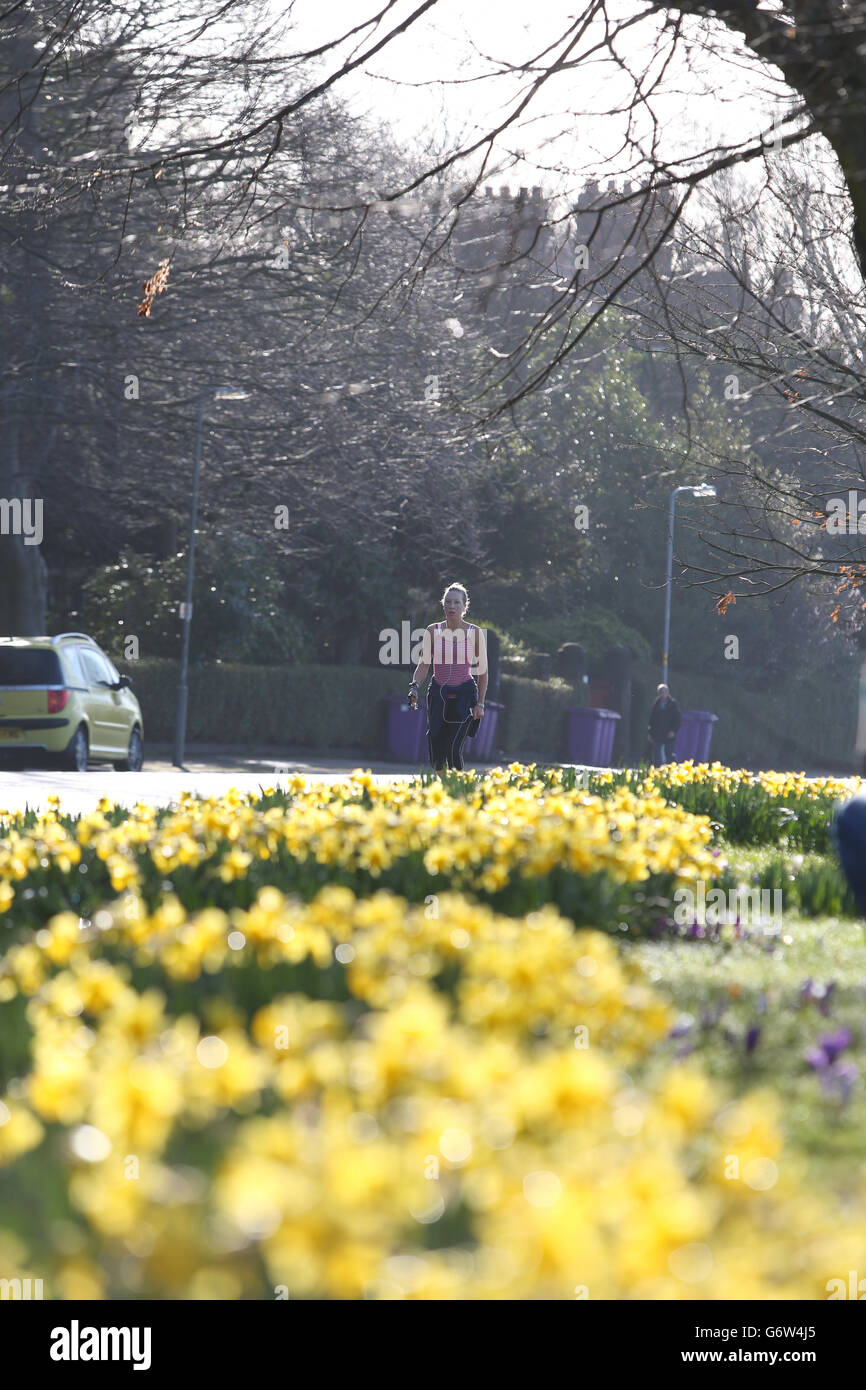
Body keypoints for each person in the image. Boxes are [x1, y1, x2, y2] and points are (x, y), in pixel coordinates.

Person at [407, 582, 487, 774]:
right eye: (448, 602)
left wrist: (481, 703)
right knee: (435, 744)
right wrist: (415, 686)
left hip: (464, 693)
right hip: (438, 693)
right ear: (443, 604)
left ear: (464, 607)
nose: (451, 606)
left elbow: (483, 671)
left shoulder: (474, 633)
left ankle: (456, 788)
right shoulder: (433, 631)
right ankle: (442, 785)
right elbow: (424, 664)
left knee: (453, 747)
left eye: (456, 603)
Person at [648, 683, 682, 765]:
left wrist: (673, 731)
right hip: (657, 733)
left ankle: (672, 771)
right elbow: (651, 719)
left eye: (663, 692)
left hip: (669, 733)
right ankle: (657, 772)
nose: (662, 694)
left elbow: (678, 719)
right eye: (660, 692)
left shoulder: (673, 704)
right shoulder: (656, 704)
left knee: (669, 754)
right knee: (656, 754)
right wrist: (650, 733)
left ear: (667, 692)